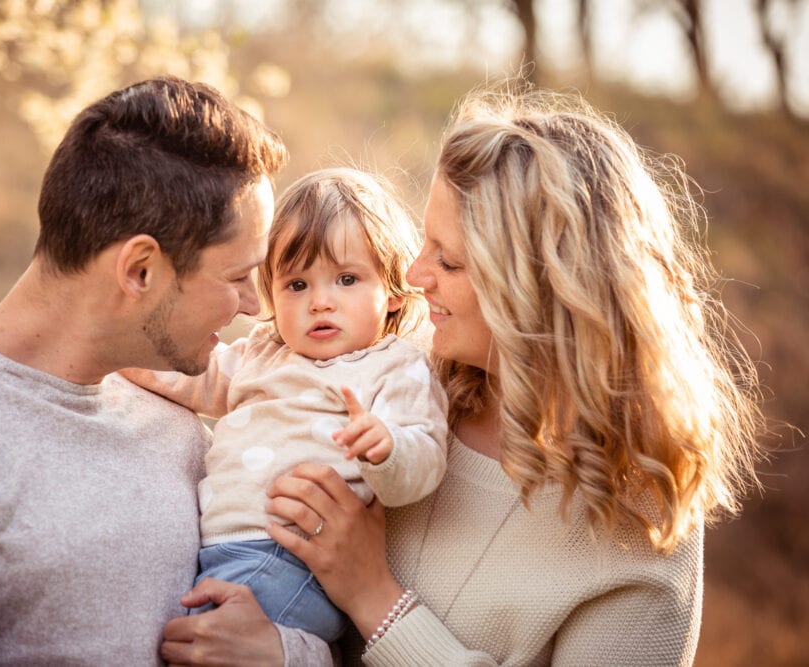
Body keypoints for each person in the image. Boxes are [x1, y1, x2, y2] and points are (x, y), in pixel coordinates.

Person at [160, 86, 765, 666]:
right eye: (425, 243)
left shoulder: (641, 529)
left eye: (447, 260)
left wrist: (376, 601)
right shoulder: (403, 383)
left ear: (535, 290)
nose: (415, 275)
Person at [0, 76, 332, 666]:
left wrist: (287, 654)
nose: (255, 307)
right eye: (238, 277)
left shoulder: (182, 424)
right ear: (139, 270)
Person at [123, 167, 449, 643]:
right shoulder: (263, 351)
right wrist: (120, 360)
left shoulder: (395, 367)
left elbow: (422, 458)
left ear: (395, 294)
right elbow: (194, 377)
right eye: (297, 285)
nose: (320, 302)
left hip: (294, 559)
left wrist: (386, 448)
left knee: (203, 643)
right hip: (219, 549)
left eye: (346, 279)